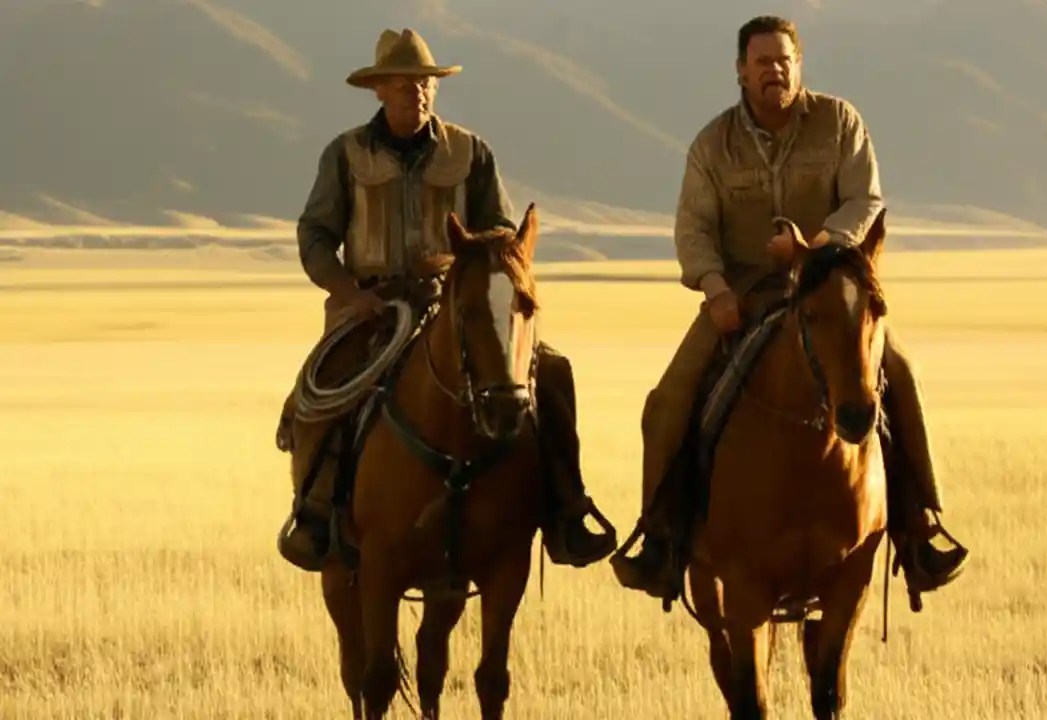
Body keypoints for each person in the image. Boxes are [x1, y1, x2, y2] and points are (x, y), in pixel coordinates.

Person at [611, 15, 969, 601]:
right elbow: (694, 228)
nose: (774, 71)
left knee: (900, 374)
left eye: (784, 60)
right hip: (744, 295)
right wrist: (715, 289)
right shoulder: (712, 144)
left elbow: (865, 200)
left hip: (831, 286)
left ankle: (920, 526)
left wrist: (816, 246)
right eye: (761, 63)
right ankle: (660, 536)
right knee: (669, 397)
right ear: (740, 71)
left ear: (799, 64)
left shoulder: (839, 123)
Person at [274, 28, 616, 572]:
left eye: (428, 83)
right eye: (406, 83)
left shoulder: (470, 151)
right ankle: (316, 515)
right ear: (379, 89)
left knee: (550, 373)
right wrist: (347, 292)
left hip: (454, 303)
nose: (420, 92)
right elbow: (315, 235)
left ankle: (567, 509)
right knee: (318, 393)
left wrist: (476, 268)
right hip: (370, 306)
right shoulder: (346, 153)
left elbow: (502, 227)